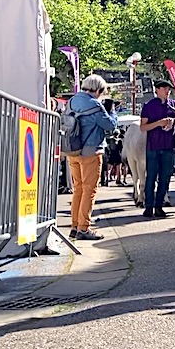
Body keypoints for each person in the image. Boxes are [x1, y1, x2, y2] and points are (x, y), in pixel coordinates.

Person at [67, 74, 118, 241]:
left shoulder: (72, 101)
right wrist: (112, 112)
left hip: (73, 150)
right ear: (97, 90)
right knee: (89, 190)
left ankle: (75, 226)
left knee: (78, 189)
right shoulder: (95, 105)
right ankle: (84, 228)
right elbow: (110, 126)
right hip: (91, 151)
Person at [139, 80, 175, 218]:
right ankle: (148, 206)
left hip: (168, 147)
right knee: (151, 177)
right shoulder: (149, 106)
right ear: (157, 90)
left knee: (165, 178)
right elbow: (143, 127)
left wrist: (174, 120)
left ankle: (159, 206)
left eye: (168, 89)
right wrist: (158, 123)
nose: (167, 91)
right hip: (153, 147)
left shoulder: (174, 106)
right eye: (164, 88)